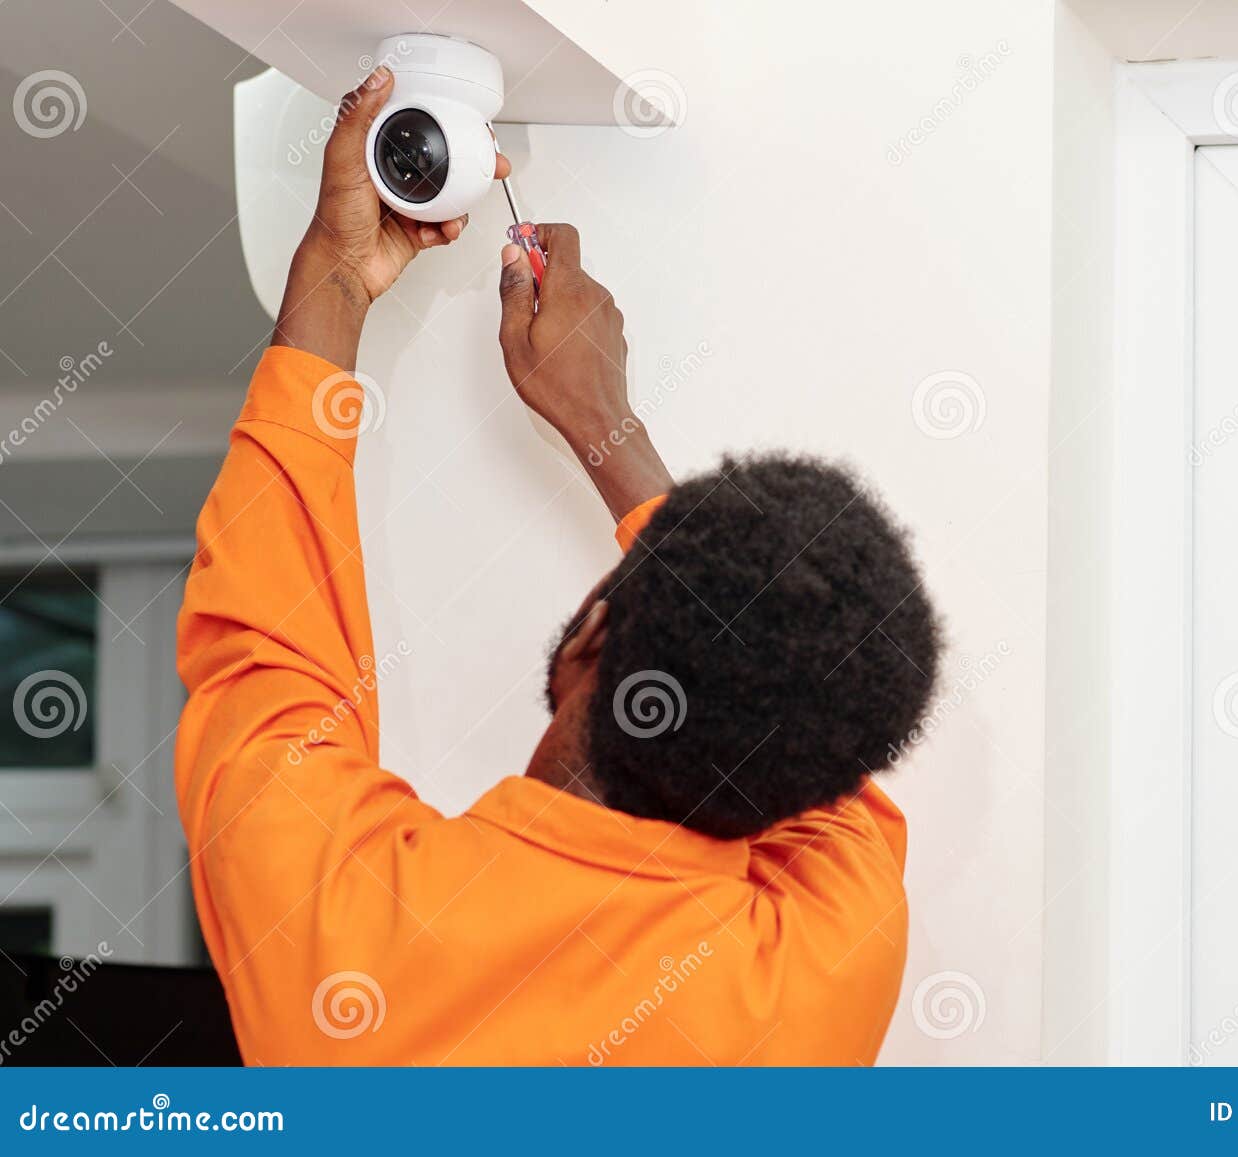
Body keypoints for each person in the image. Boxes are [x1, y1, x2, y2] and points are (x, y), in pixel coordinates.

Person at [174, 66, 941, 1065]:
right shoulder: (816, 977)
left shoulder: (340, 922)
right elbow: (816, 711)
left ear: (589, 632)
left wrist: (341, 262)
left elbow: (266, 641)